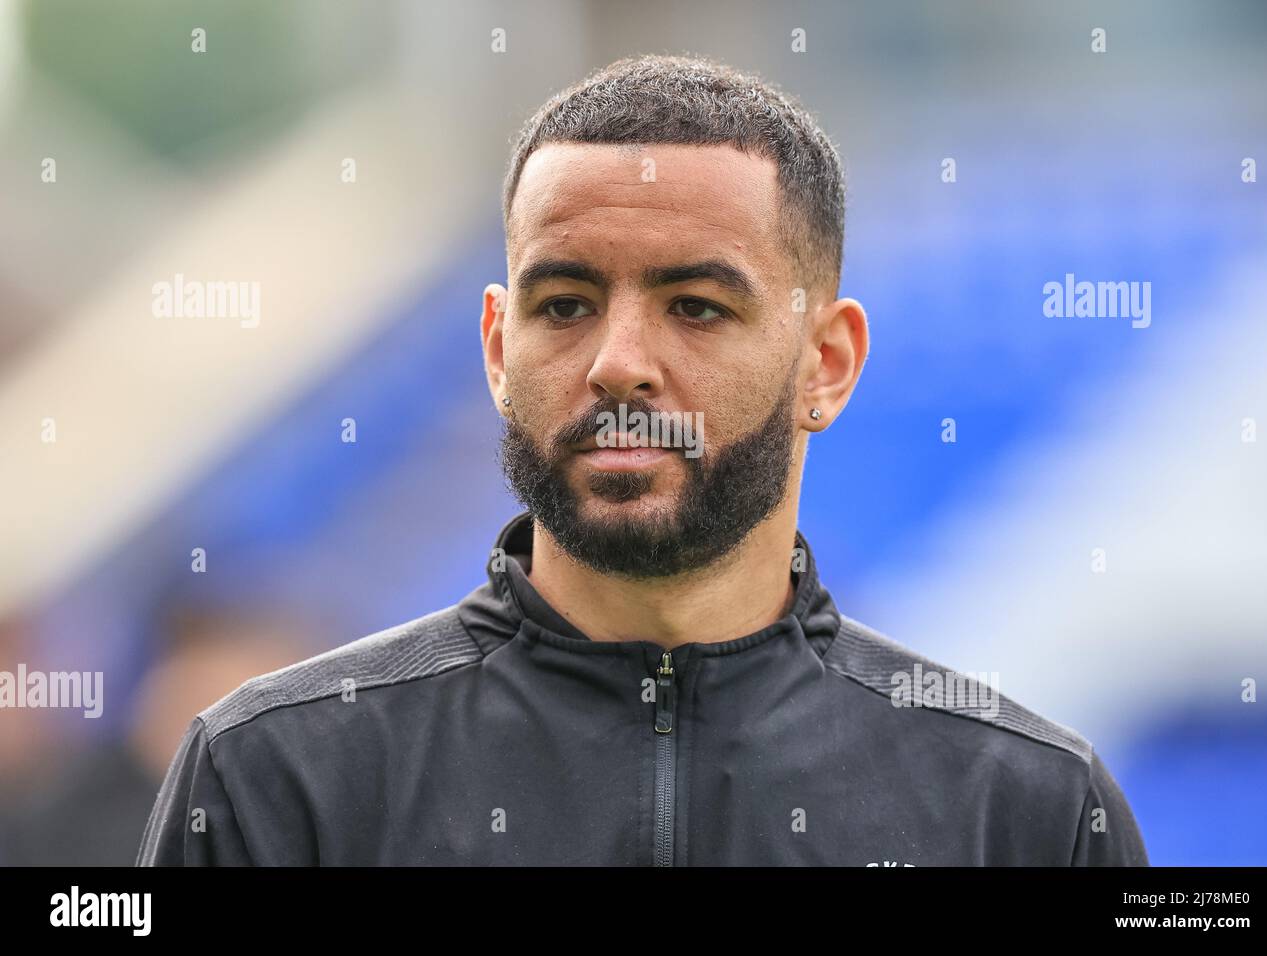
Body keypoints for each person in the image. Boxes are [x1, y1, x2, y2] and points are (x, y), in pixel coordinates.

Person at [138, 53, 1148, 866]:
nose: (619, 365)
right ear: (498, 349)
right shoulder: (276, 772)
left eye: (696, 307)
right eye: (564, 304)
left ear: (825, 363)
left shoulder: (1022, 805)